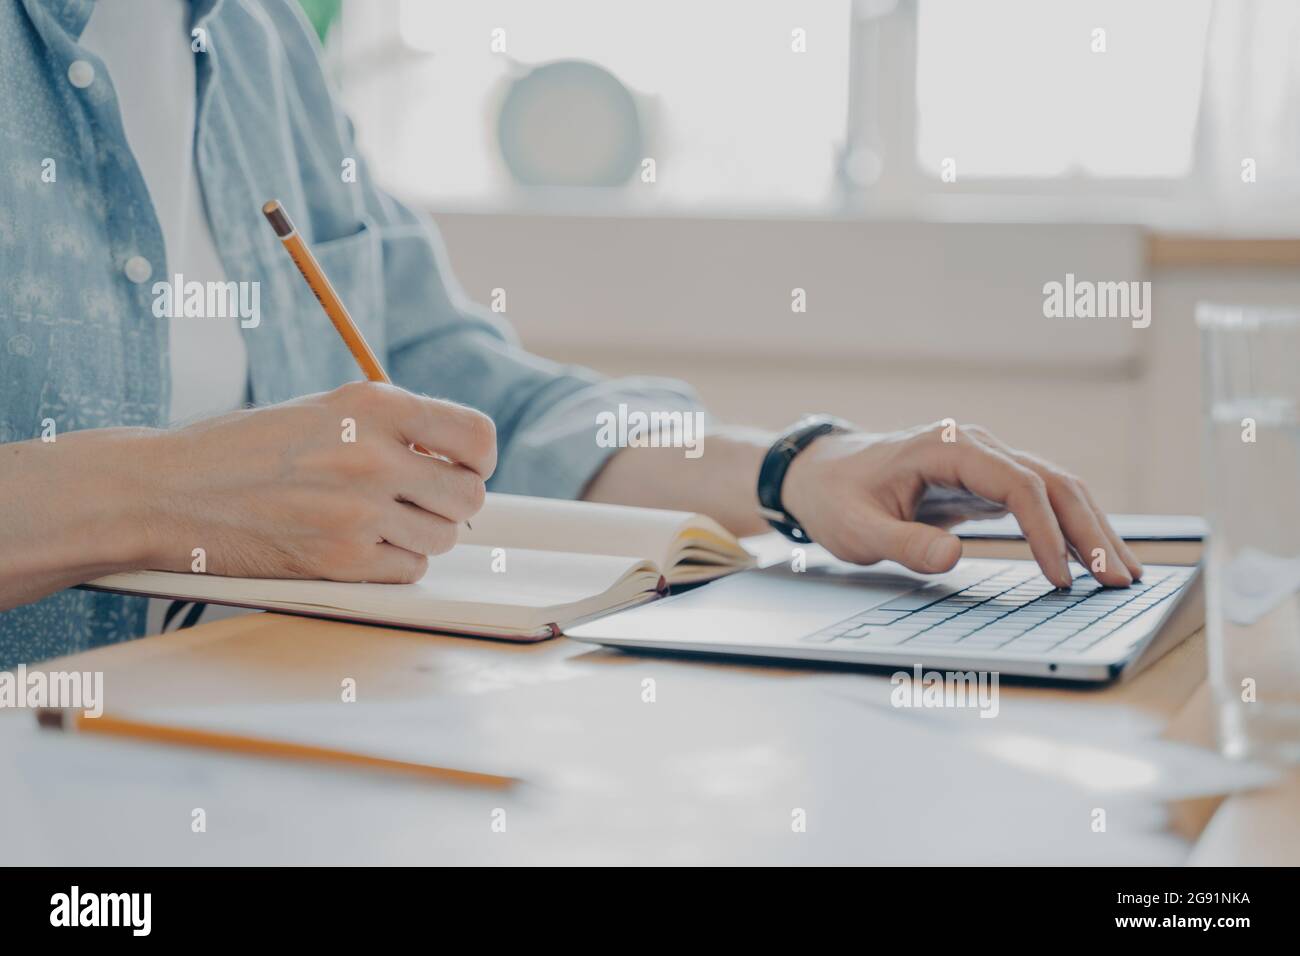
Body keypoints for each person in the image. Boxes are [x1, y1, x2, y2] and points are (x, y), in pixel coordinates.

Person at [0, 0, 1141, 669]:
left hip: (255, 737)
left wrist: (802, 466)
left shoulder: (258, 43)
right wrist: (162, 495)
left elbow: (466, 393)